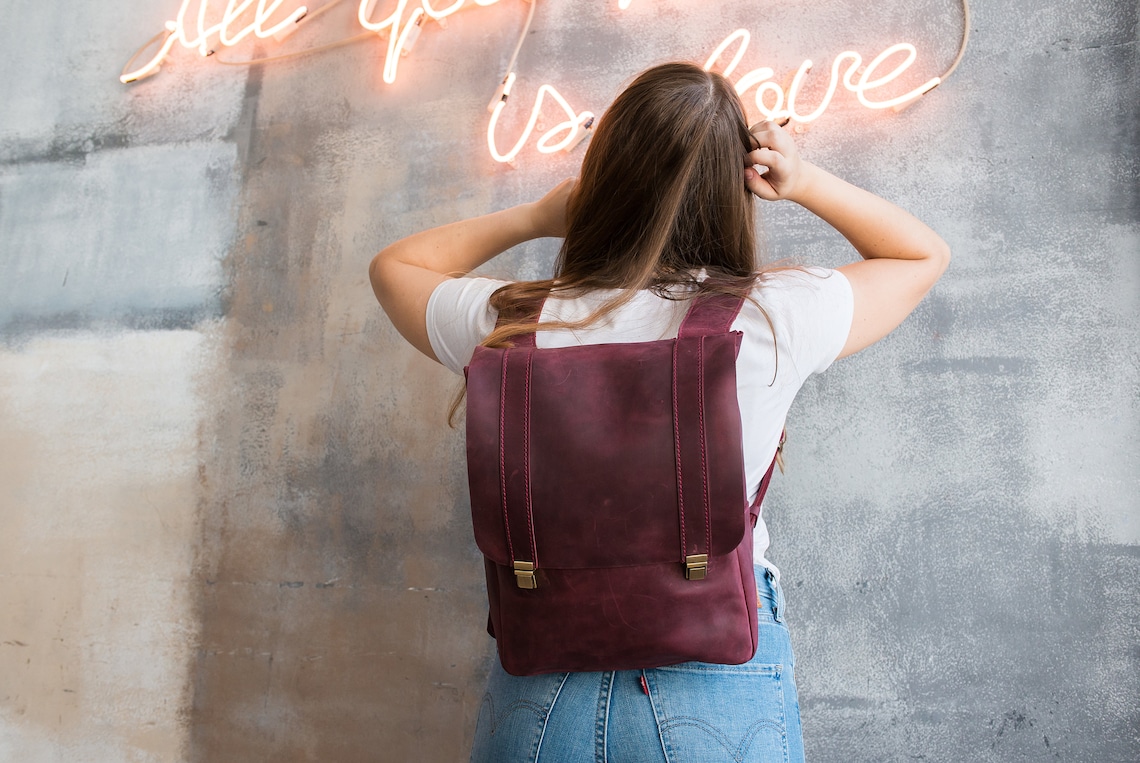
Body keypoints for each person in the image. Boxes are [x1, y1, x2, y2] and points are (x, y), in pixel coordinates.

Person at [370, 62, 949, 763]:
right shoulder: (772, 315)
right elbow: (921, 254)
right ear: (735, 186)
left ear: (602, 178)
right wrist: (803, 182)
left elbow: (394, 268)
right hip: (716, 674)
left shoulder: (513, 319)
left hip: (544, 680)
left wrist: (536, 214)